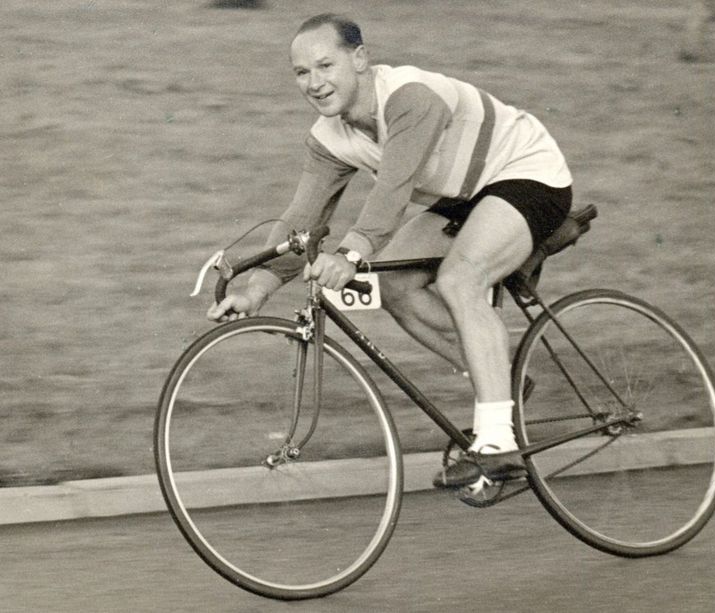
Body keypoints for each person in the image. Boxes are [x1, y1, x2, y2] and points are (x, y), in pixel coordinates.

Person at [207, 13, 573, 488]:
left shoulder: (409, 98)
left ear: (360, 59)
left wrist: (350, 254)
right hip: (466, 194)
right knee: (392, 283)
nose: (315, 84)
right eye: (302, 73)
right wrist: (256, 290)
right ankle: (500, 381)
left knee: (460, 280)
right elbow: (301, 222)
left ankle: (498, 442)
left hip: (527, 173)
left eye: (325, 66)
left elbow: (392, 193)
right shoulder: (329, 137)